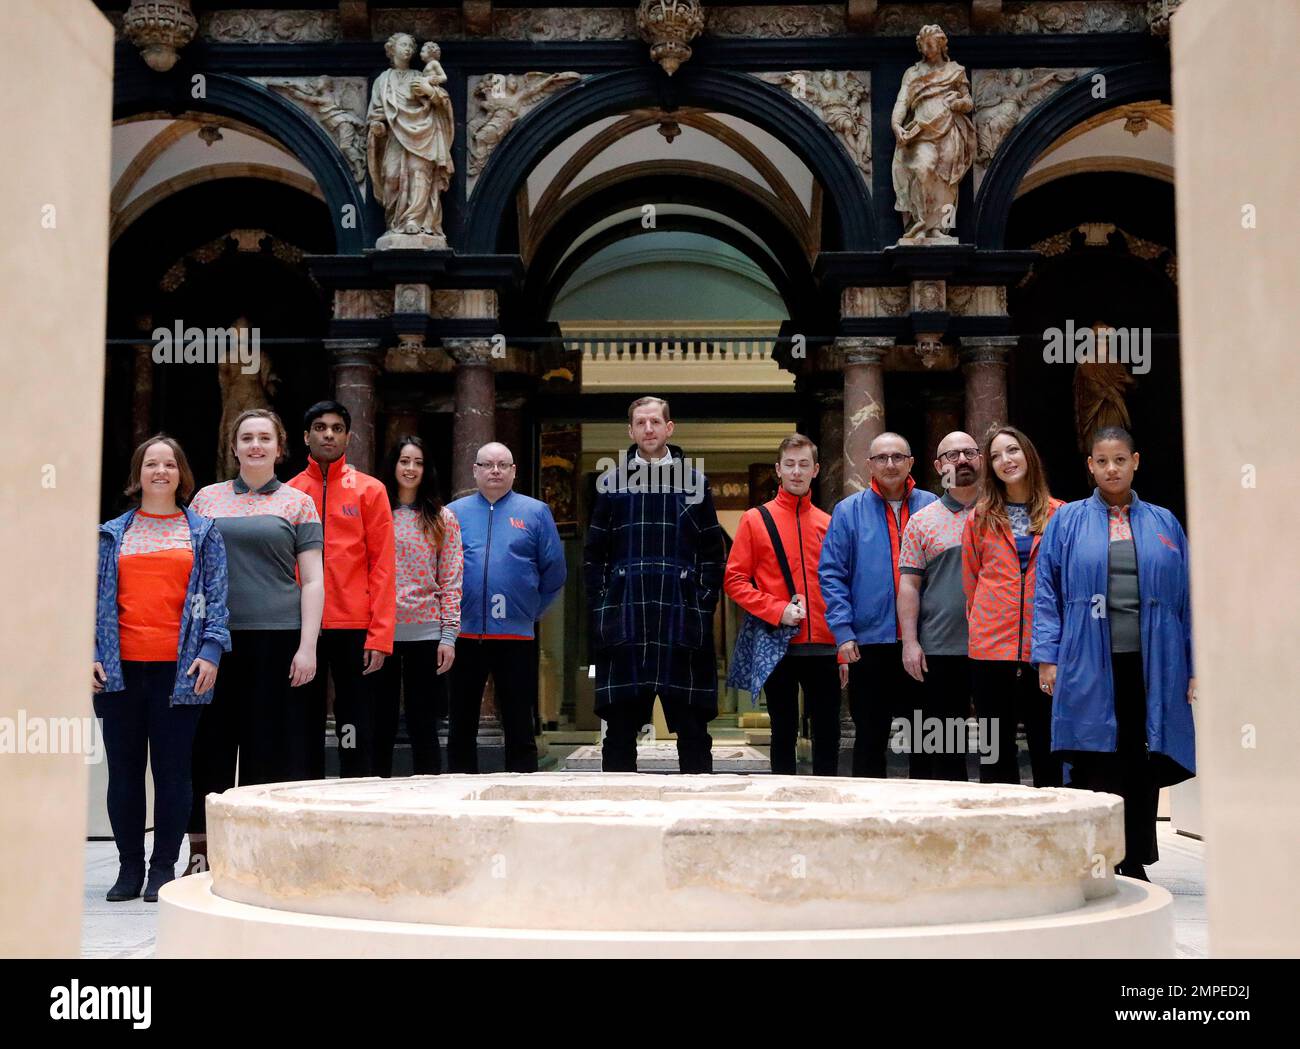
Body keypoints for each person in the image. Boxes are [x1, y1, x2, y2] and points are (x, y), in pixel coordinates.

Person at [1034, 426, 1196, 881]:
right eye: (1102, 461)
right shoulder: (1066, 522)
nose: (1111, 468)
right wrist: (1047, 656)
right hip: (1088, 659)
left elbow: (1187, 597)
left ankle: (1136, 856)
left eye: (1120, 459)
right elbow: (1046, 592)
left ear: (1136, 461)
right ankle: (1100, 855)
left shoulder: (1164, 522)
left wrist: (1192, 665)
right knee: (1095, 757)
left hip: (1153, 661)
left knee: (1142, 757)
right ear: (1090, 466)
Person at [92, 436, 230, 902]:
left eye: (170, 464)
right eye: (151, 464)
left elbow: (217, 598)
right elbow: (89, 602)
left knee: (173, 773)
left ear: (180, 474)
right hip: (120, 671)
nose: (161, 471)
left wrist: (211, 650)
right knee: (125, 773)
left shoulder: (203, 531)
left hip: (180, 673)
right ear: (138, 475)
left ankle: (161, 869)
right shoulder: (111, 534)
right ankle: (128, 868)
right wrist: (89, 652)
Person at [186, 410, 323, 874]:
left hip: (278, 640)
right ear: (235, 446)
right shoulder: (205, 500)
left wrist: (308, 645)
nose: (256, 445)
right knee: (210, 747)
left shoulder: (299, 503)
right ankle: (203, 852)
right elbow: (192, 575)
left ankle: (262, 853)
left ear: (280, 447)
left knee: (268, 748)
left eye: (265, 437)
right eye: (247, 438)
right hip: (215, 643)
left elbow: (313, 582)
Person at [585, 397, 726, 774]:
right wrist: (603, 609)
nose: (648, 429)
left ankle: (699, 826)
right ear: (630, 431)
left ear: (669, 428)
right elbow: (594, 555)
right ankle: (616, 821)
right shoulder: (611, 483)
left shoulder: (694, 482)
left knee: (693, 729)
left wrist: (702, 602)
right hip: (625, 615)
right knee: (619, 730)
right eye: (640, 423)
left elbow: (713, 553)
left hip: (681, 615)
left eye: (655, 422)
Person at [288, 401, 396, 779]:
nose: (328, 434)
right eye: (320, 427)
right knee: (302, 721)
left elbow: (383, 566)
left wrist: (380, 635)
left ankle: (355, 797)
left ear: (349, 436)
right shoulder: (290, 493)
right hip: (303, 627)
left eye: (336, 428)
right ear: (306, 436)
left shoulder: (370, 490)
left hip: (355, 626)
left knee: (354, 723)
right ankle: (303, 798)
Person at [820, 432, 937, 777]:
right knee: (869, 738)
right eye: (881, 458)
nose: (890, 464)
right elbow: (832, 575)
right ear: (869, 464)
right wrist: (843, 632)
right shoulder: (848, 511)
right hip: (869, 642)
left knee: (925, 737)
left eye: (897, 457)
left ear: (911, 462)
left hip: (925, 641)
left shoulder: (932, 507)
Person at [724, 434, 840, 776]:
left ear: (816, 470)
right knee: (783, 730)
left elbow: (838, 584)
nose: (796, 472)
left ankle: (828, 800)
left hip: (825, 644)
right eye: (789, 465)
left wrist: (845, 639)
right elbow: (734, 581)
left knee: (828, 732)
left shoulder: (827, 522)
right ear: (778, 470)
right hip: (779, 643)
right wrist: (777, 609)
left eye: (804, 464)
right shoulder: (754, 520)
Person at [447, 442, 565, 773]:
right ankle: (456, 787)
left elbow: (554, 572)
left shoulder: (536, 512)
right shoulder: (453, 513)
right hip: (463, 633)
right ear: (475, 470)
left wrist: (530, 610)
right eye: (487, 464)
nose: (495, 470)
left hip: (516, 635)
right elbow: (440, 568)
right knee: (461, 721)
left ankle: (522, 786)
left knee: (519, 721)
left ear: (514, 471)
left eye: (503, 465)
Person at [962, 426, 1064, 787]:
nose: (1005, 460)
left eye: (1013, 451)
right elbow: (972, 582)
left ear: (1029, 456)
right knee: (994, 752)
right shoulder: (980, 517)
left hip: (1044, 650)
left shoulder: (1061, 515)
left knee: (1048, 747)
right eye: (995, 456)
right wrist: (984, 626)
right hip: (990, 650)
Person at [374, 436, 462, 776]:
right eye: (404, 461)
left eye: (418, 462)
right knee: (379, 721)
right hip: (381, 633)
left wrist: (449, 635)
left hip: (427, 632)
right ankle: (374, 796)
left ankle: (429, 798)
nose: (411, 469)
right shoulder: (376, 512)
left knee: (423, 723)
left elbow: (452, 577)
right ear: (393, 466)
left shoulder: (442, 518)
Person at [897, 432, 982, 781]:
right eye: (951, 455)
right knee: (945, 750)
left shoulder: (1001, 514)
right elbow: (909, 585)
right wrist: (910, 642)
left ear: (981, 459)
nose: (961, 460)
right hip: (941, 650)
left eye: (969, 453)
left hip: (996, 648)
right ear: (938, 466)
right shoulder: (922, 521)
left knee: (999, 744)